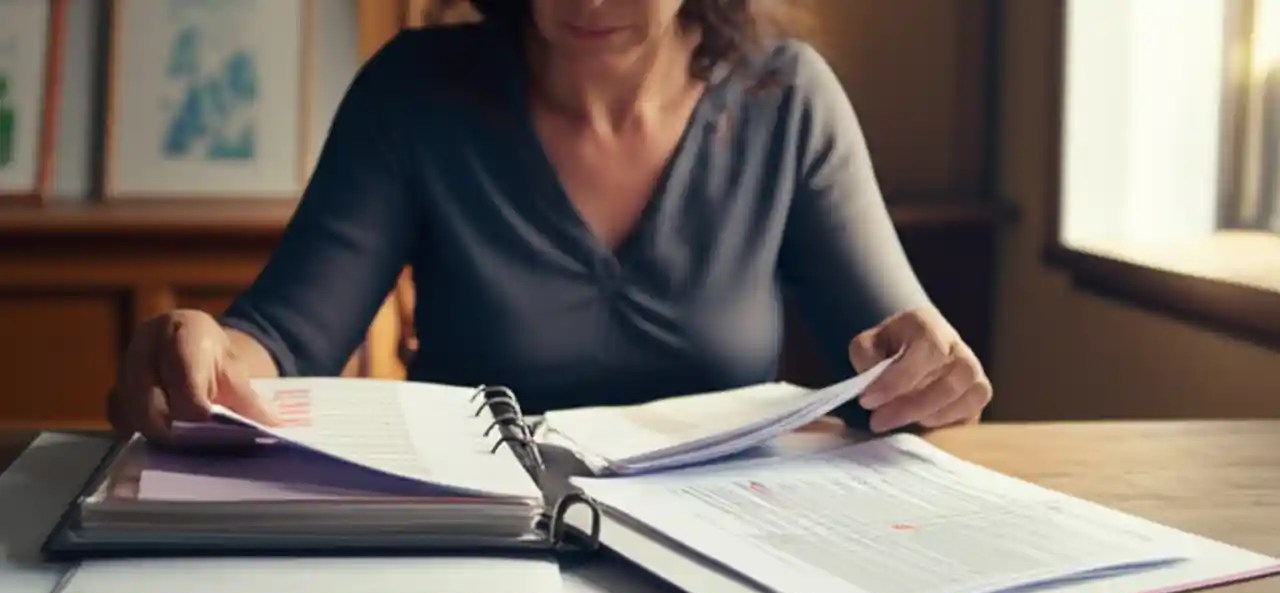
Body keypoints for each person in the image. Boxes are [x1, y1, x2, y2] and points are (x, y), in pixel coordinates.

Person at [107, 0, 993, 443]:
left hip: (723, 586)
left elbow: (893, 369)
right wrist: (210, 356)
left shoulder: (787, 101)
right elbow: (285, 336)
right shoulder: (416, 93)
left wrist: (928, 375)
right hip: (469, 565)